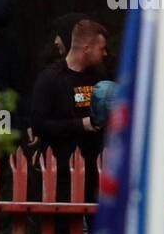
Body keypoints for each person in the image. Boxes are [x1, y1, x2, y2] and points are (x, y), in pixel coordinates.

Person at [28, 17, 108, 200]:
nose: (104, 54)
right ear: (87, 48)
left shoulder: (99, 76)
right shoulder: (49, 79)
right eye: (101, 48)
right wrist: (81, 124)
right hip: (61, 174)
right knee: (64, 228)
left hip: (95, 172)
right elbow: (39, 125)